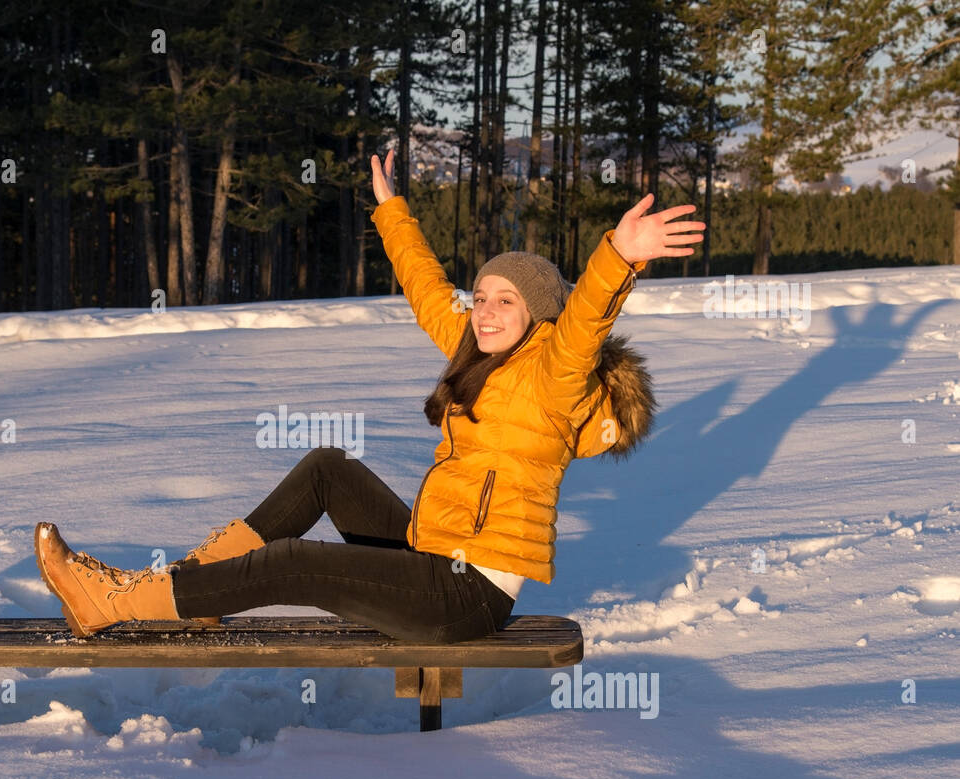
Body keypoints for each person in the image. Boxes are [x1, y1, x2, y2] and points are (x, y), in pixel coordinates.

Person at [35, 147, 704, 643]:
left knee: (292, 563)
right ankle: (197, 585)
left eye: (507, 301)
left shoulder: (554, 375)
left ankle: (119, 602)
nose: (486, 310)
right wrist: (392, 213)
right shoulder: (477, 350)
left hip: (467, 594)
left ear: (539, 317)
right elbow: (426, 289)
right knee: (328, 469)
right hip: (433, 553)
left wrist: (619, 252)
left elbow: (587, 317)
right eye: (483, 297)